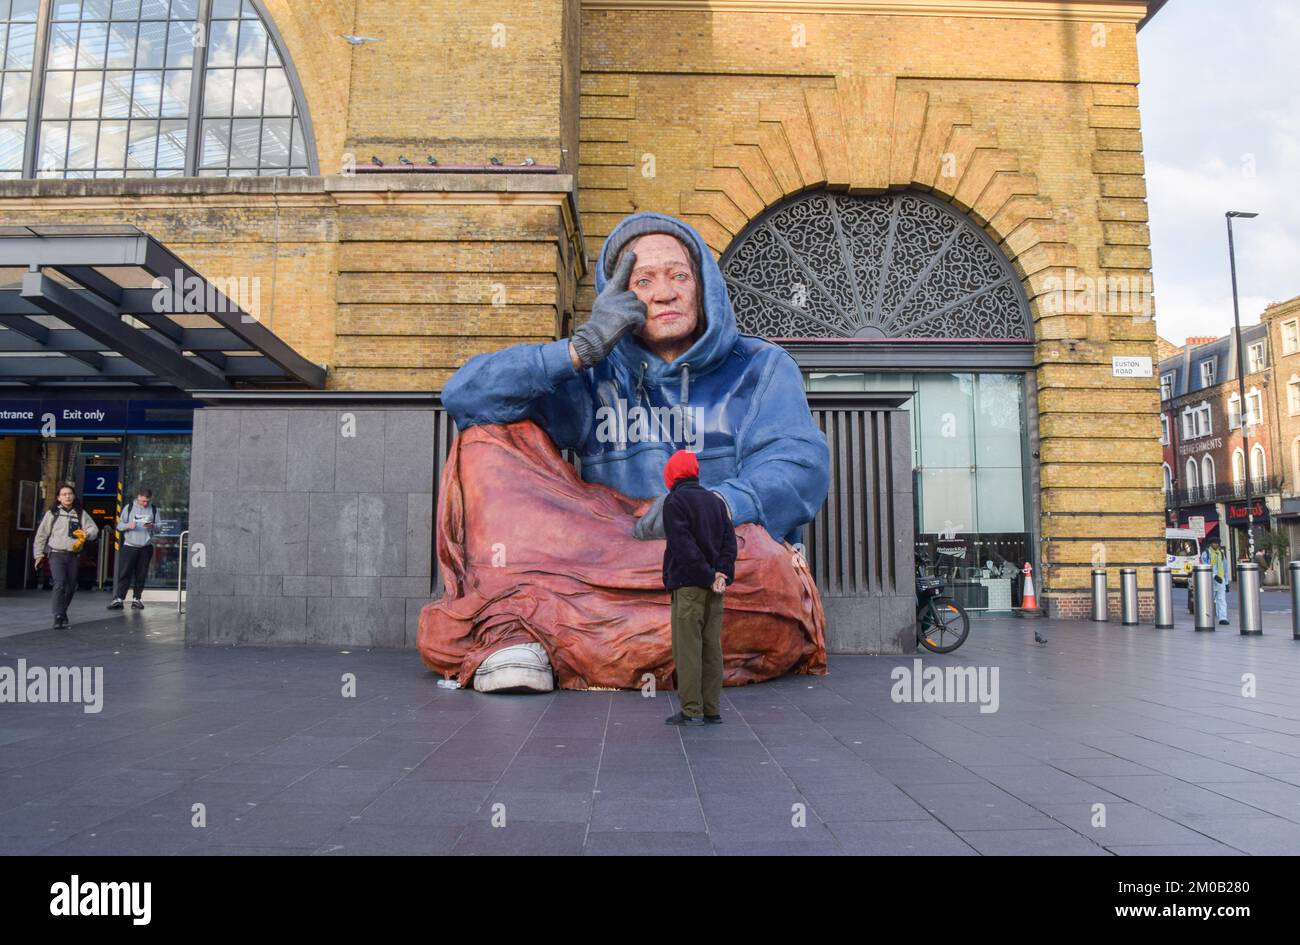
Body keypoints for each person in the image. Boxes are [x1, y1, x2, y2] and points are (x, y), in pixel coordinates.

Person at [422, 211, 830, 692]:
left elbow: (799, 467)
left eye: (679, 275)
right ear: (618, 295)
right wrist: (581, 349)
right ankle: (593, 638)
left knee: (769, 567)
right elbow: (465, 397)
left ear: (704, 287)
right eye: (644, 280)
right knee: (484, 438)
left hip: (712, 554)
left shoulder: (760, 366)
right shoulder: (595, 374)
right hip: (609, 549)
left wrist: (714, 506)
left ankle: (534, 630)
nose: (664, 292)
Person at [661, 449, 736, 726]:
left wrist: (705, 576)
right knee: (711, 648)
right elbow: (730, 542)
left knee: (688, 649)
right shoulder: (715, 502)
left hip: (689, 586)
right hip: (715, 588)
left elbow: (683, 548)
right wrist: (721, 575)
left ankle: (691, 710)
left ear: (671, 474)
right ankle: (712, 709)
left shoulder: (674, 502)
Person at [33, 484, 100, 630]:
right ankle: (57, 615)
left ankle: (63, 611)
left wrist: (87, 534)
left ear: (74, 496)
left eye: (69, 494)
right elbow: (41, 534)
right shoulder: (52, 513)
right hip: (56, 553)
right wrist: (38, 554)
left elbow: (93, 529)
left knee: (71, 586)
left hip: (74, 555)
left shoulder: (80, 513)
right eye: (63, 494)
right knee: (60, 583)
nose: (67, 496)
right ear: (58, 498)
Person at [108, 487, 160, 610]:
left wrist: (153, 525)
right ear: (138, 497)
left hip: (145, 547)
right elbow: (119, 526)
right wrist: (128, 525)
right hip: (129, 546)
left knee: (141, 574)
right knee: (125, 572)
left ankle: (137, 599)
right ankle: (119, 598)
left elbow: (159, 527)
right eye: (143, 501)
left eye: (147, 501)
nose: (145, 503)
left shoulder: (153, 509)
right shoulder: (129, 507)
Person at [1201, 535, 1229, 625]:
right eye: (1214, 543)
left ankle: (1223, 618)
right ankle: (1206, 616)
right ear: (1210, 544)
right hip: (1210, 581)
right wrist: (1214, 576)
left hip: (1221, 580)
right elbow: (1205, 566)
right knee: (1209, 599)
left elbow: (1225, 567)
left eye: (1217, 543)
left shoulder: (1221, 553)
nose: (1216, 545)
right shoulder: (1206, 553)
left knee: (1221, 600)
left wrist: (1227, 582)